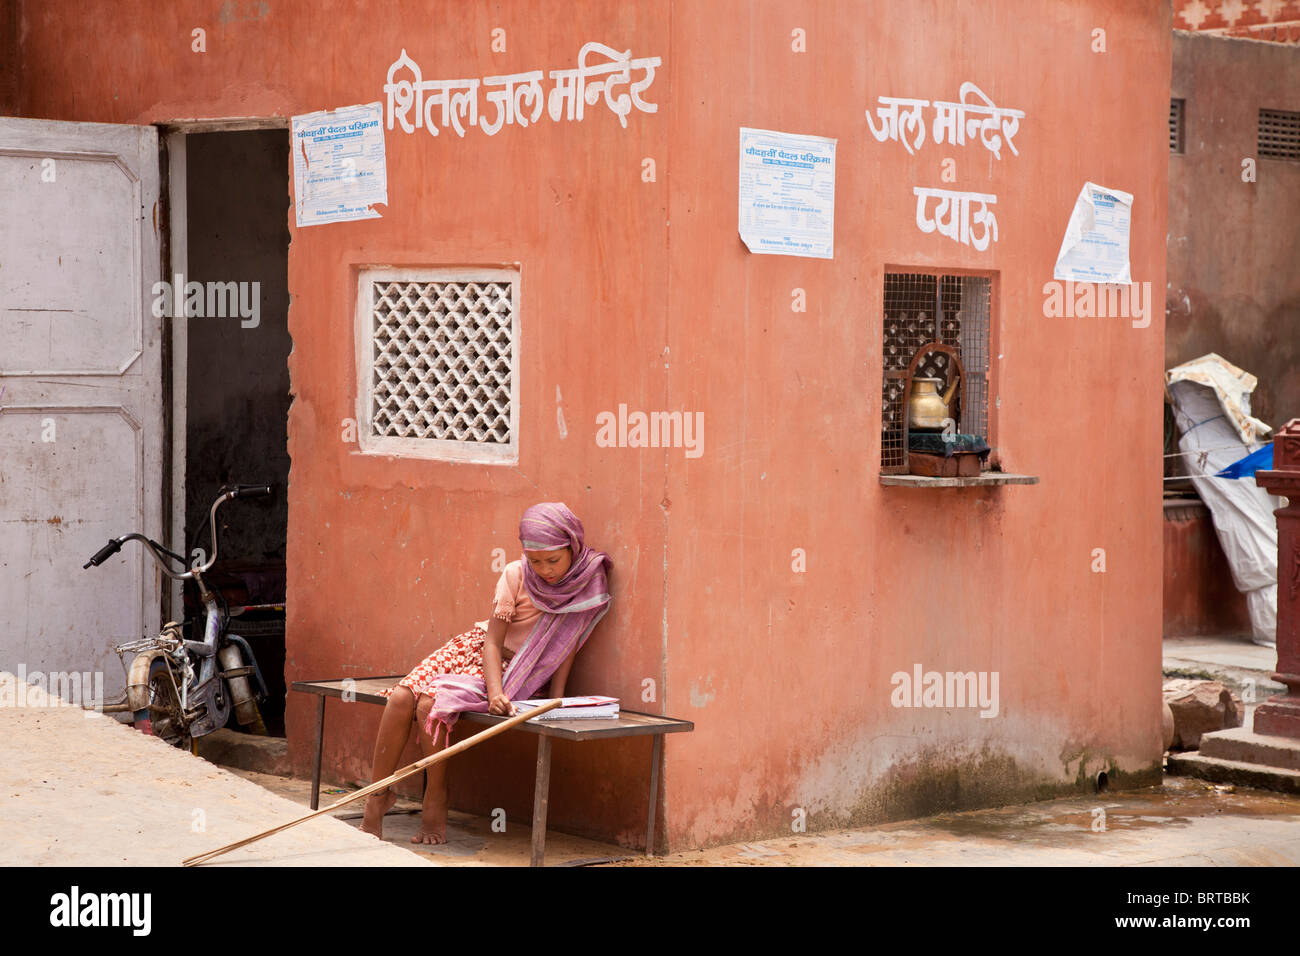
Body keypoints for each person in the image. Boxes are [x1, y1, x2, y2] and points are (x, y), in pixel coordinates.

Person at [360, 502, 612, 844]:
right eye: (536, 561)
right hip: (479, 651)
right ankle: (377, 797)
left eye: (553, 560)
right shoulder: (515, 574)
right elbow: (491, 643)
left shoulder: (584, 580)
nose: (545, 570)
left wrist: (556, 699)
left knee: (429, 704)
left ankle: (435, 797)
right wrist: (494, 693)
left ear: (573, 546)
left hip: (520, 672)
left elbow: (565, 645)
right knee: (403, 697)